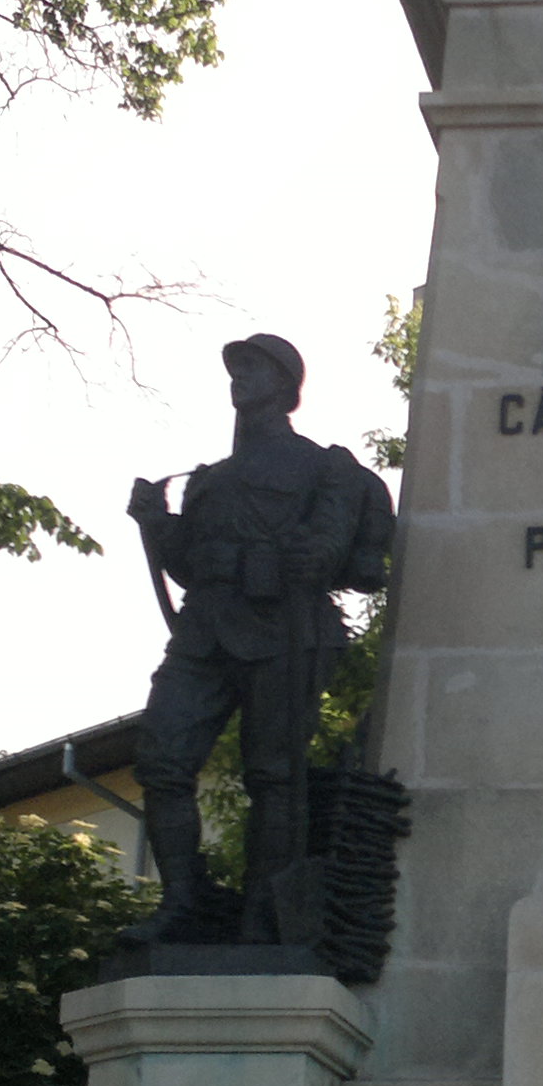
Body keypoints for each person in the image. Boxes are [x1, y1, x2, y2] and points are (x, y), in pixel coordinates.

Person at [129, 335, 394, 945]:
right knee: (161, 761)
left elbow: (332, 553)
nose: (239, 377)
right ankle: (183, 902)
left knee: (273, 776)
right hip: (205, 632)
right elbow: (190, 566)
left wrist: (295, 560)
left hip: (285, 631)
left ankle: (264, 916)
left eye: (253, 367)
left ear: (285, 385)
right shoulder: (207, 479)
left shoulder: (324, 466)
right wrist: (156, 525)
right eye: (236, 368)